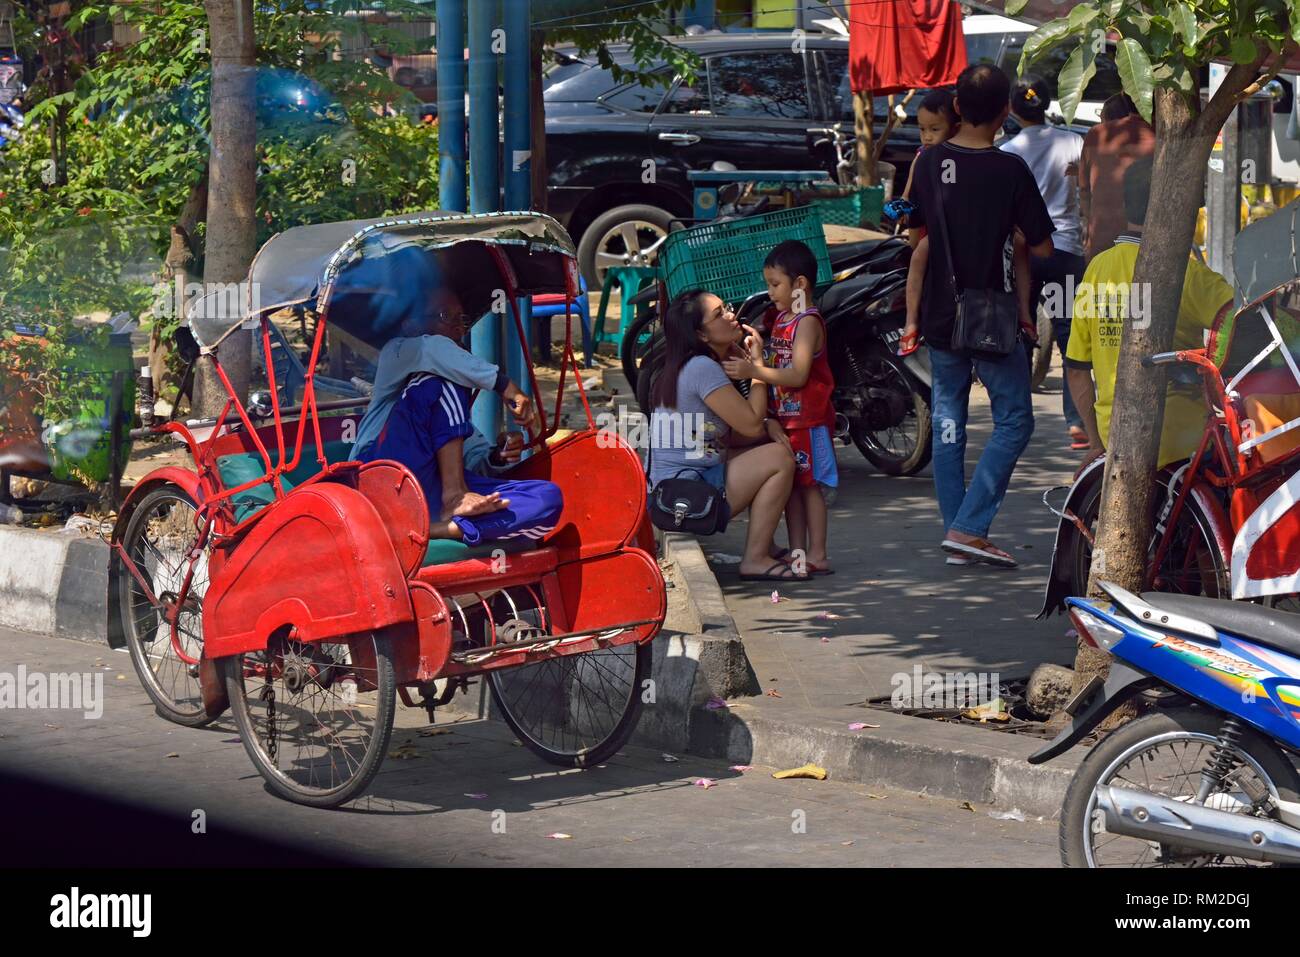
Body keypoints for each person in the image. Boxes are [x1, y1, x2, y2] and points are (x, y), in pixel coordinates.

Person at [907, 63, 1055, 568]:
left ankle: (958, 532)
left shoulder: (928, 164)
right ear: (1005, 112)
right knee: (1014, 420)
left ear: (955, 109)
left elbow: (913, 234)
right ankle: (969, 528)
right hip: (992, 318)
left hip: (941, 317)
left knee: (950, 422)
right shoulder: (1010, 169)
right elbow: (1042, 244)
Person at [355, 288, 563, 544]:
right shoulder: (396, 352)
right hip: (381, 477)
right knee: (440, 378)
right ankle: (454, 497)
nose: (459, 328)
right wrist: (505, 386)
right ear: (410, 325)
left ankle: (441, 529)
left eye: (462, 320)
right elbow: (433, 349)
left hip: (431, 496)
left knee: (546, 498)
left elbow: (473, 455)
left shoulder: (450, 395)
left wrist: (497, 456)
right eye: (446, 316)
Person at [1066, 156, 1233, 470]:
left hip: (1113, 434)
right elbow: (1245, 319)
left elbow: (1076, 370)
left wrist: (1096, 441)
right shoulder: (1188, 275)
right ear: (1177, 208)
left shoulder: (1097, 270)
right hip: (1181, 440)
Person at [650, 289, 803, 582]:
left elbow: (726, 436)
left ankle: (765, 543)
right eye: (719, 314)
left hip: (674, 491)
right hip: (686, 499)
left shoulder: (688, 365)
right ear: (702, 335)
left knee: (766, 447)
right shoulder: (702, 368)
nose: (732, 316)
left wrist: (767, 424)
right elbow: (750, 425)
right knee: (780, 458)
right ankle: (756, 558)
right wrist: (757, 369)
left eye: (727, 308)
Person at [723, 241, 836, 575]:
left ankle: (818, 552)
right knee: (792, 490)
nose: (770, 292)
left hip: (809, 419)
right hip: (787, 419)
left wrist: (753, 372)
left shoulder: (808, 322)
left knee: (810, 487)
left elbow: (799, 374)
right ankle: (798, 552)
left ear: (799, 285)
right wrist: (756, 357)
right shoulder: (783, 319)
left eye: (775, 284)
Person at [999, 74, 1089, 450]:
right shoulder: (1074, 142)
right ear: (1049, 103)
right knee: (1072, 340)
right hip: (1065, 250)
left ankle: (1017, 419)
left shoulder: (1006, 151)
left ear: (1011, 109)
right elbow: (1088, 188)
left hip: (1020, 254)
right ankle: (1076, 421)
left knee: (1018, 333)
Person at [1078, 93, 1155, 262]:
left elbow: (1084, 191)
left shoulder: (1097, 134)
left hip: (1102, 243)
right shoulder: (1161, 136)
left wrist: (1088, 226)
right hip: (1149, 248)